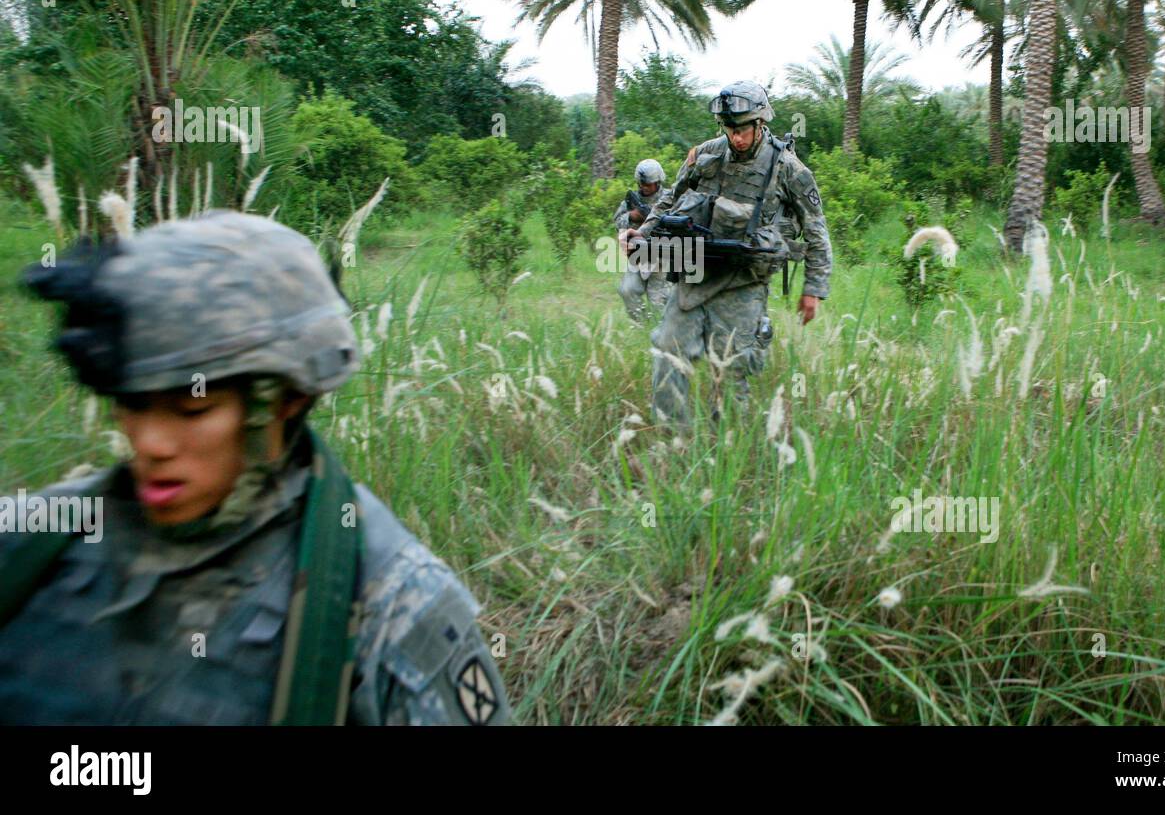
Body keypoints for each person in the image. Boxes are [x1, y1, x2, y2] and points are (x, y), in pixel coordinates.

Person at [0, 211, 509, 726]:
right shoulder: (30, 541)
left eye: (193, 409)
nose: (151, 444)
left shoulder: (389, 600)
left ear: (286, 399)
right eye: (133, 405)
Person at [624, 81, 833, 426]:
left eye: (743, 129)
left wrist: (813, 289)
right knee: (667, 351)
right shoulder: (706, 154)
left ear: (761, 123)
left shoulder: (788, 168)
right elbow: (670, 199)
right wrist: (642, 234)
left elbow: (816, 230)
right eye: (730, 129)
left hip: (744, 283)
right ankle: (672, 440)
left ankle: (728, 451)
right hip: (695, 273)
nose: (736, 138)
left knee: (732, 371)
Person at [614, 159, 672, 323]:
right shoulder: (632, 201)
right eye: (641, 184)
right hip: (638, 257)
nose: (644, 187)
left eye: (648, 184)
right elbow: (617, 221)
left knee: (658, 301)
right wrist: (632, 216)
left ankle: (659, 332)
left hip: (662, 258)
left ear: (658, 181)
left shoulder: (670, 198)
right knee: (627, 290)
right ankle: (641, 325)